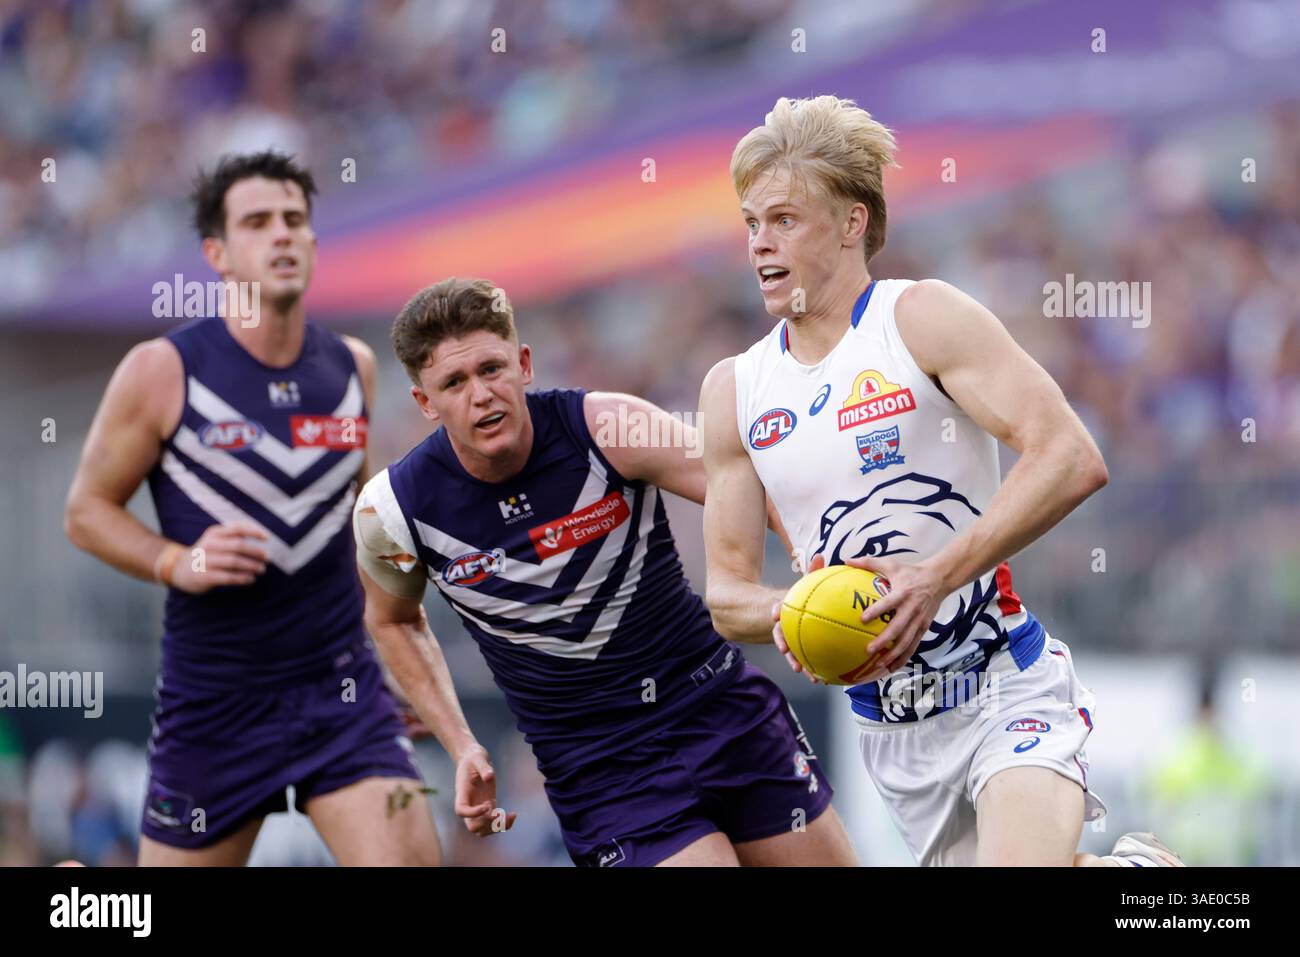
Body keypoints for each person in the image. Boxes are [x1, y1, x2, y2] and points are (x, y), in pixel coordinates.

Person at [698, 95, 1182, 867]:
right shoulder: (735, 390)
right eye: (752, 223)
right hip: (893, 732)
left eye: (785, 219)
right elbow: (726, 597)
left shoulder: (919, 319)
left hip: (1004, 684)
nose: (761, 243)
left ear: (853, 222)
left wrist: (936, 576)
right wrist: (795, 611)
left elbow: (1069, 454)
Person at [352, 276, 858, 867]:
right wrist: (461, 744)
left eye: (491, 369)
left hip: (722, 712)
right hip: (602, 770)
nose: (481, 394)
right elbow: (391, 620)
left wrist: (816, 567)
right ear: (424, 402)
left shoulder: (608, 427)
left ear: (523, 364)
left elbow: (738, 487)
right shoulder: (391, 510)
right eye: (455, 383)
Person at [63, 151, 440, 866]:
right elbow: (85, 511)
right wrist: (177, 559)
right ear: (217, 253)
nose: (282, 236)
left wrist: (397, 653)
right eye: (258, 222)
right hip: (216, 704)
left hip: (342, 692)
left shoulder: (353, 366)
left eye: (295, 220)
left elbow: (359, 529)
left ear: (314, 244)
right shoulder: (161, 370)